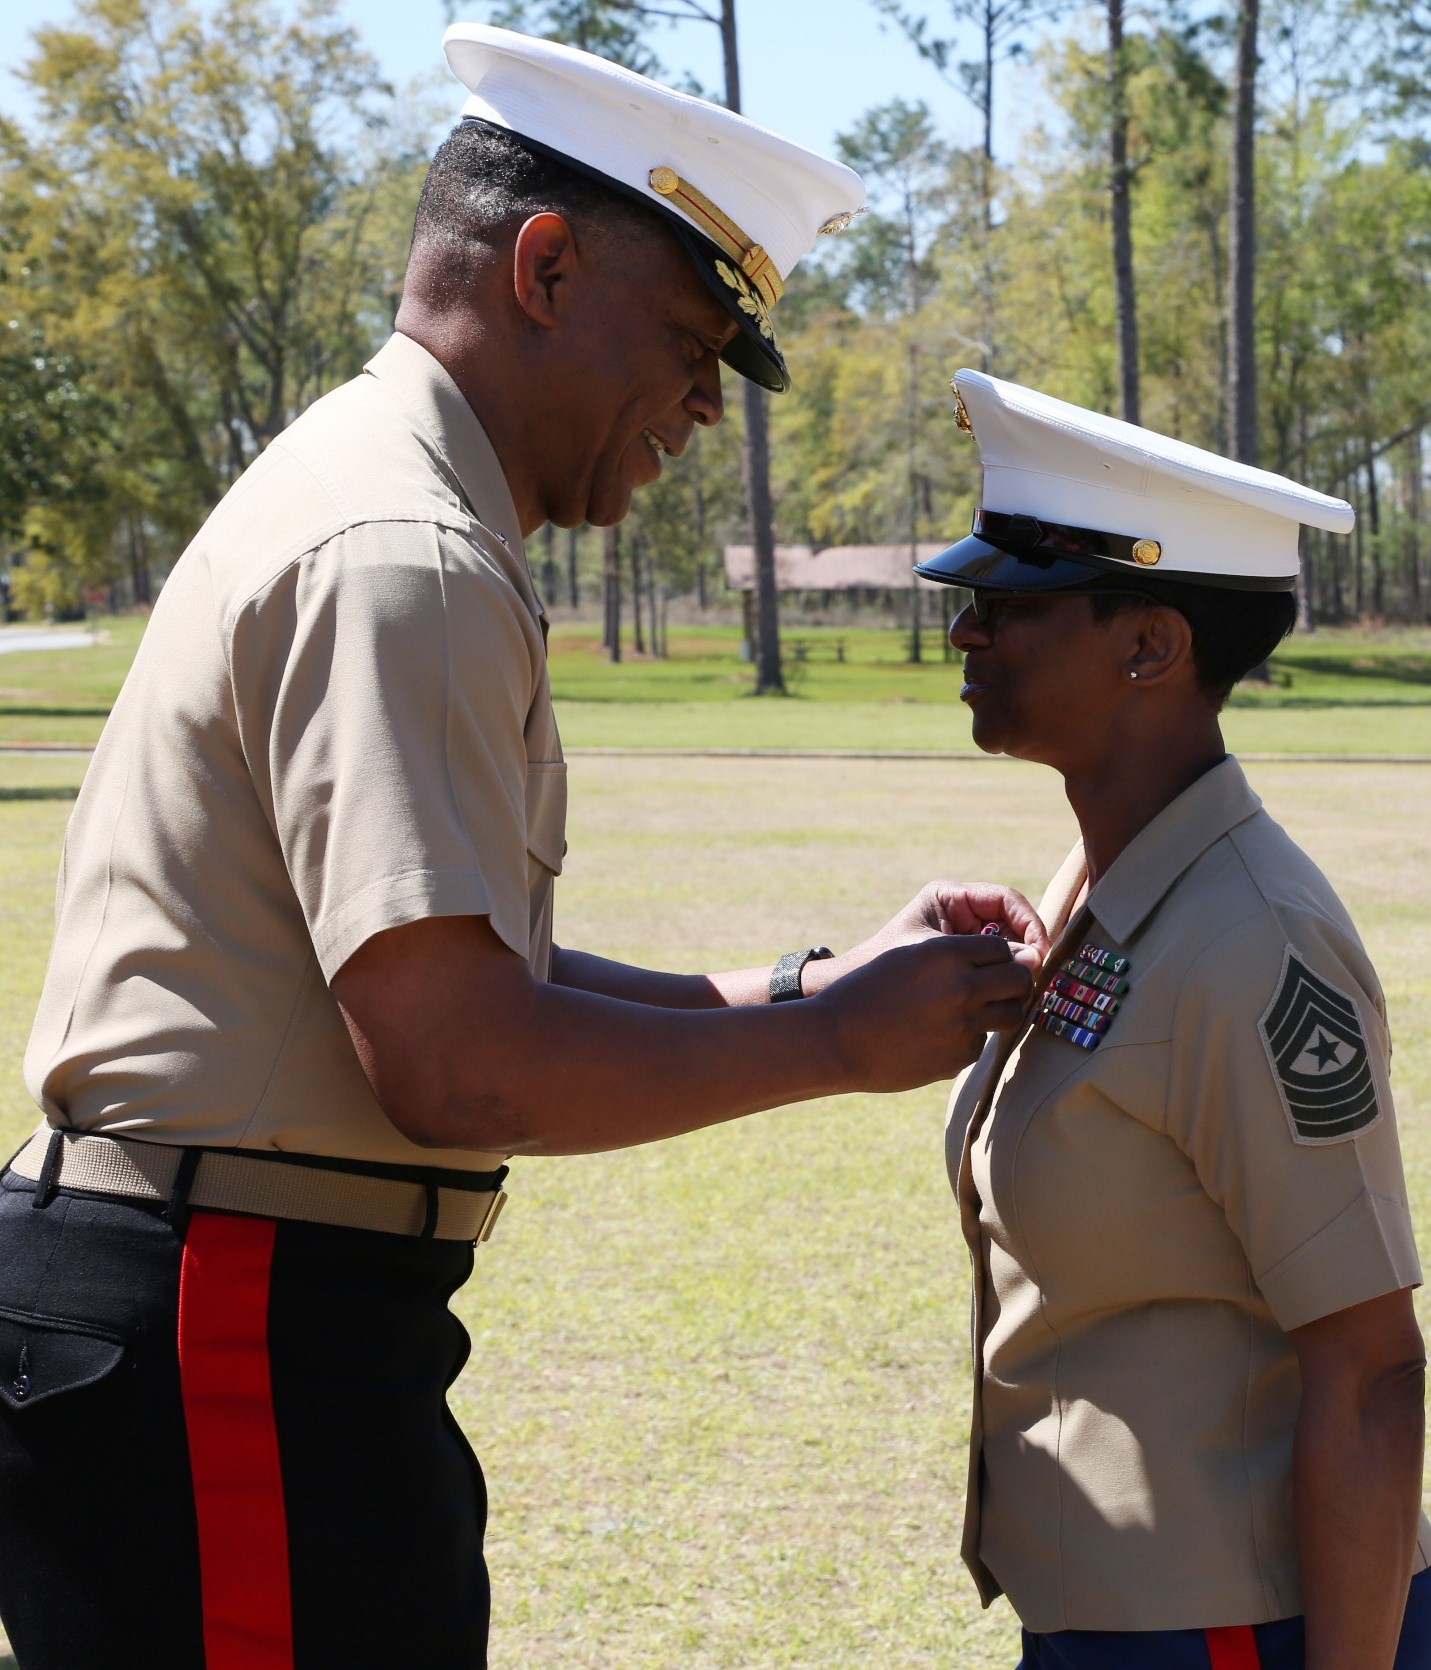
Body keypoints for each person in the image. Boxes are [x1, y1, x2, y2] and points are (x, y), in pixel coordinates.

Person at [0, 29, 1045, 1670]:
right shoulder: (400, 550)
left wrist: (797, 980)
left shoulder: (395, 500)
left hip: (257, 1309)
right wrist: (838, 1040)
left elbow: (471, 975)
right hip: (231, 1319)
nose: (708, 403)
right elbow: (458, 1060)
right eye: (697, 339)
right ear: (545, 265)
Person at [914, 369, 1430, 1669]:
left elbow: (1370, 1370)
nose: (966, 633)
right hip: (1123, 1616)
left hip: (1232, 1631)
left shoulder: (1254, 936)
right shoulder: (1110, 876)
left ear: (1150, 645)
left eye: (1007, 604)